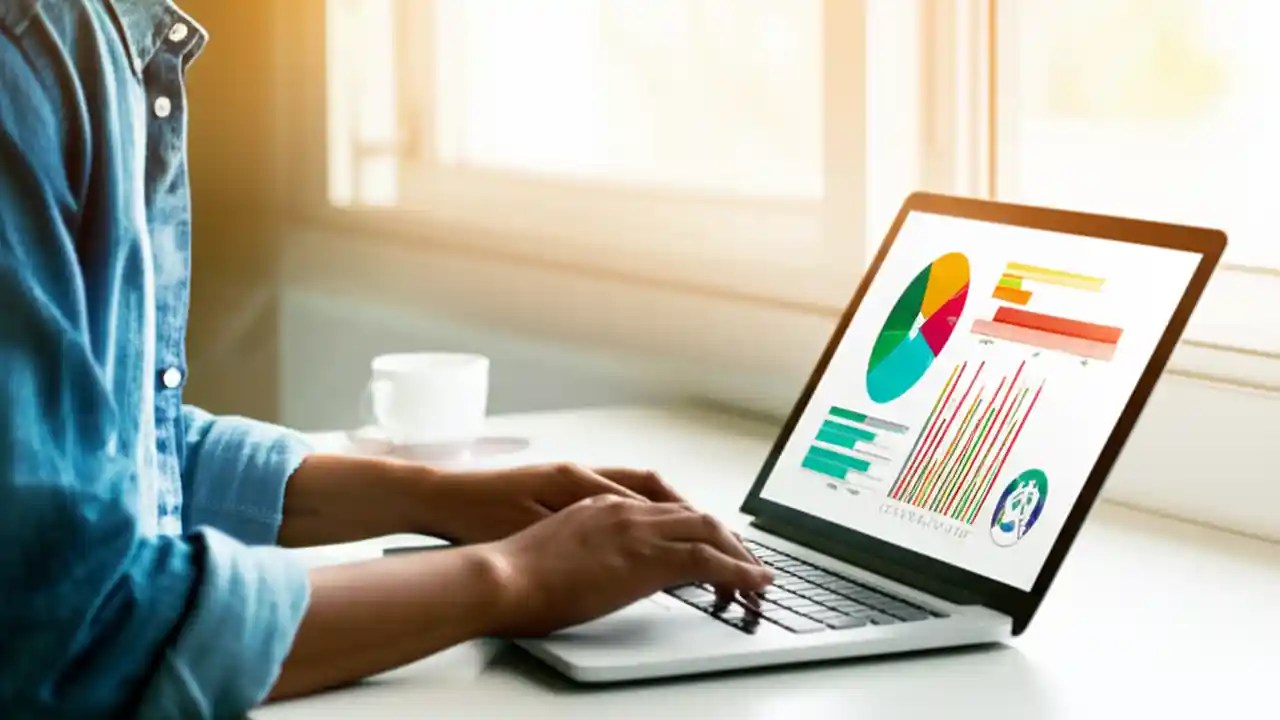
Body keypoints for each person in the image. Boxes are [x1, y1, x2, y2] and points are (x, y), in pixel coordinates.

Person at [0, 1, 773, 716]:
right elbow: (75, 629)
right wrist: (514, 578)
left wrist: (435, 495)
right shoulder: (28, 46)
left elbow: (102, 460)